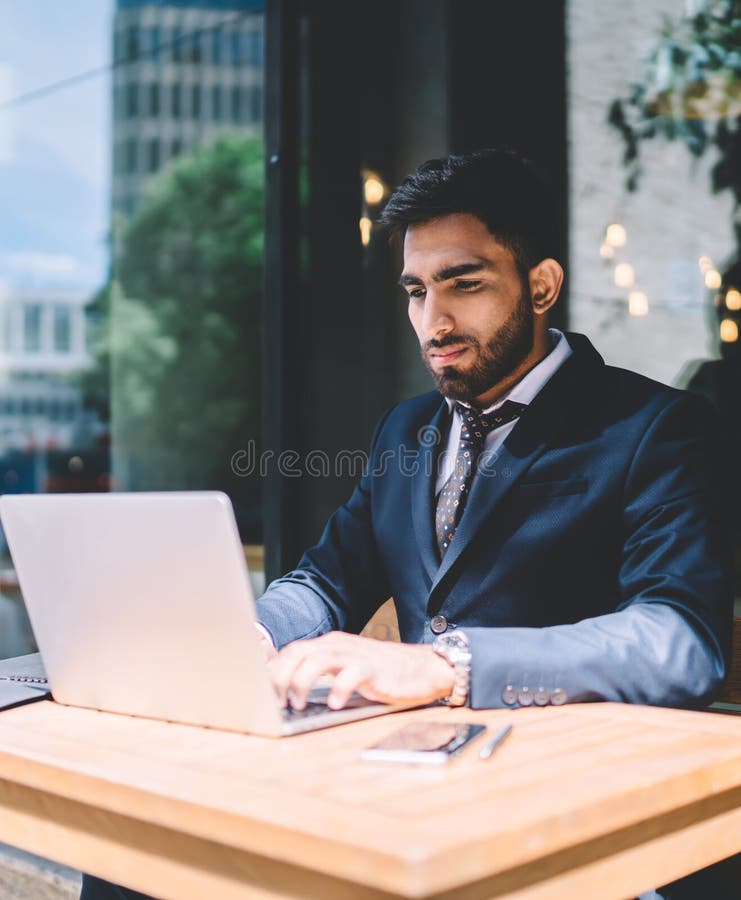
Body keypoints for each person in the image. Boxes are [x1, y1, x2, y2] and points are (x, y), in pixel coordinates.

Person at [81, 150, 733, 900]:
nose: (435, 320)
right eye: (416, 291)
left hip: (556, 813)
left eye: (465, 283)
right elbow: (327, 578)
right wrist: (245, 640)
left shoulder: (657, 427)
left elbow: (680, 640)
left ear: (542, 285)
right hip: (402, 780)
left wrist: (445, 663)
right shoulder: (406, 428)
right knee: (136, 843)